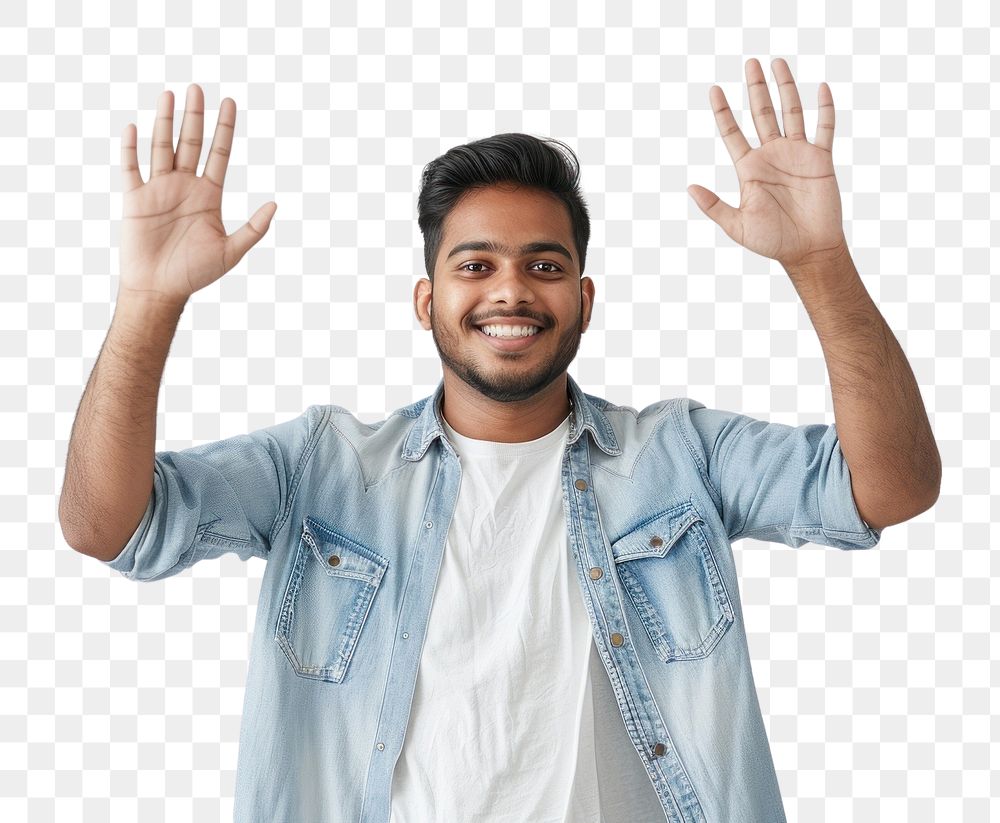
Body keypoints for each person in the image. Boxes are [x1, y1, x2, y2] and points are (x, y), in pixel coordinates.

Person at [59, 57, 940, 823]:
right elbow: (109, 526)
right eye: (474, 264)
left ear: (584, 300)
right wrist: (149, 302)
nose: (510, 290)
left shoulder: (681, 456)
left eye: (544, 265)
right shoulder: (321, 469)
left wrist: (819, 263)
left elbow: (892, 487)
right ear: (426, 300)